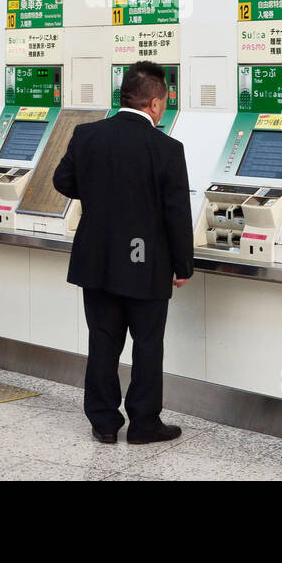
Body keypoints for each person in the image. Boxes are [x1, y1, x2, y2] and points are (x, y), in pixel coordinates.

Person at [52, 60, 194, 445]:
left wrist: (101, 192)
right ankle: (144, 423)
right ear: (153, 103)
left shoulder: (87, 136)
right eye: (164, 100)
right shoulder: (167, 148)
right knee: (147, 345)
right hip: (147, 263)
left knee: (103, 339)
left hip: (96, 259)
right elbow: (176, 212)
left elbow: (62, 180)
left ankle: (103, 422)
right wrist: (183, 265)